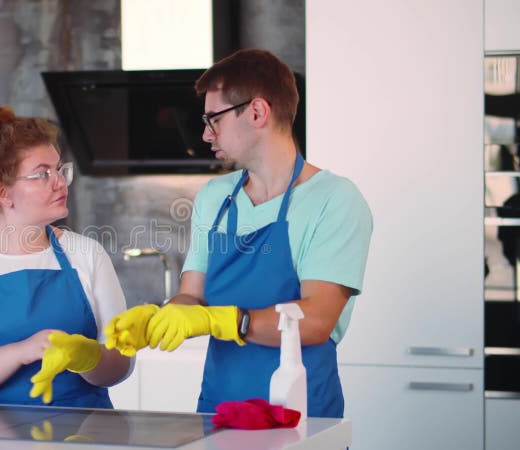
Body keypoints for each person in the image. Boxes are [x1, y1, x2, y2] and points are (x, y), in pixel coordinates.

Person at [105, 49, 373, 418]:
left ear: (257, 112)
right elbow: (192, 298)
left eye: (213, 119)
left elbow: (315, 322)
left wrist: (226, 321)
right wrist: (156, 318)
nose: (204, 133)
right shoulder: (215, 197)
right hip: (219, 411)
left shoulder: (334, 200)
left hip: (300, 417)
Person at [0, 105, 131, 408]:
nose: (59, 182)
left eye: (60, 170)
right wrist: (23, 351)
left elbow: (122, 363)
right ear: (3, 193)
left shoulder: (87, 254)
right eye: (42, 175)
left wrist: (85, 357)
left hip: (83, 435)